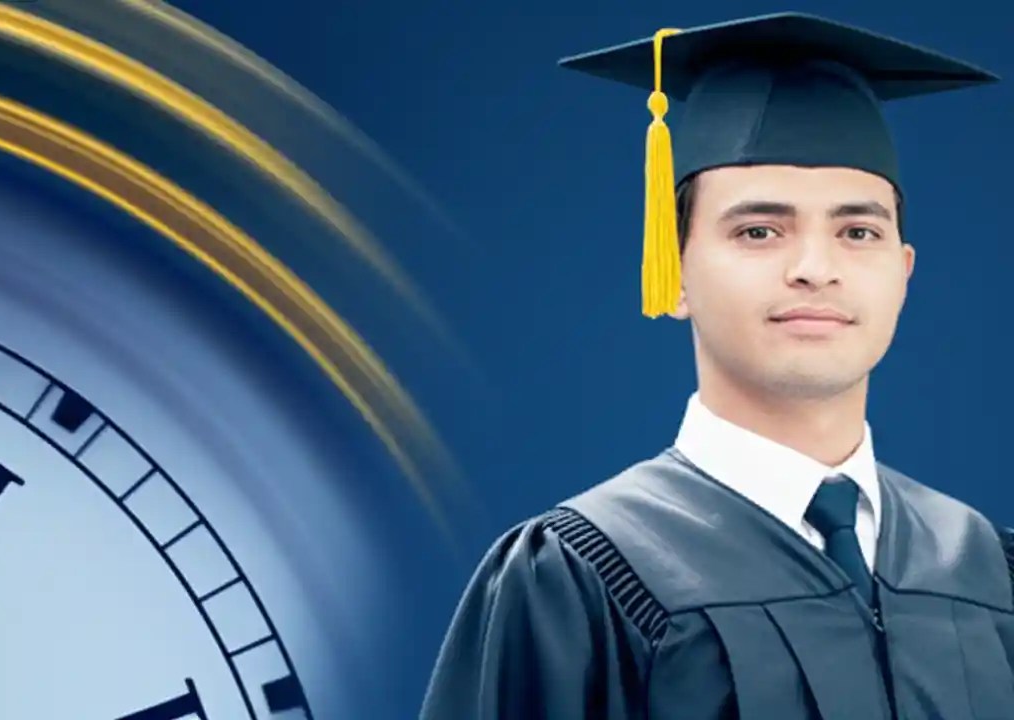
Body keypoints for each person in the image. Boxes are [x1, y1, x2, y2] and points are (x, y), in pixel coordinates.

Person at [420, 11, 1014, 720]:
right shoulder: (582, 575)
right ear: (672, 272)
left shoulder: (985, 567)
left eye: (858, 232)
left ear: (904, 272)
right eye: (759, 231)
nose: (816, 269)